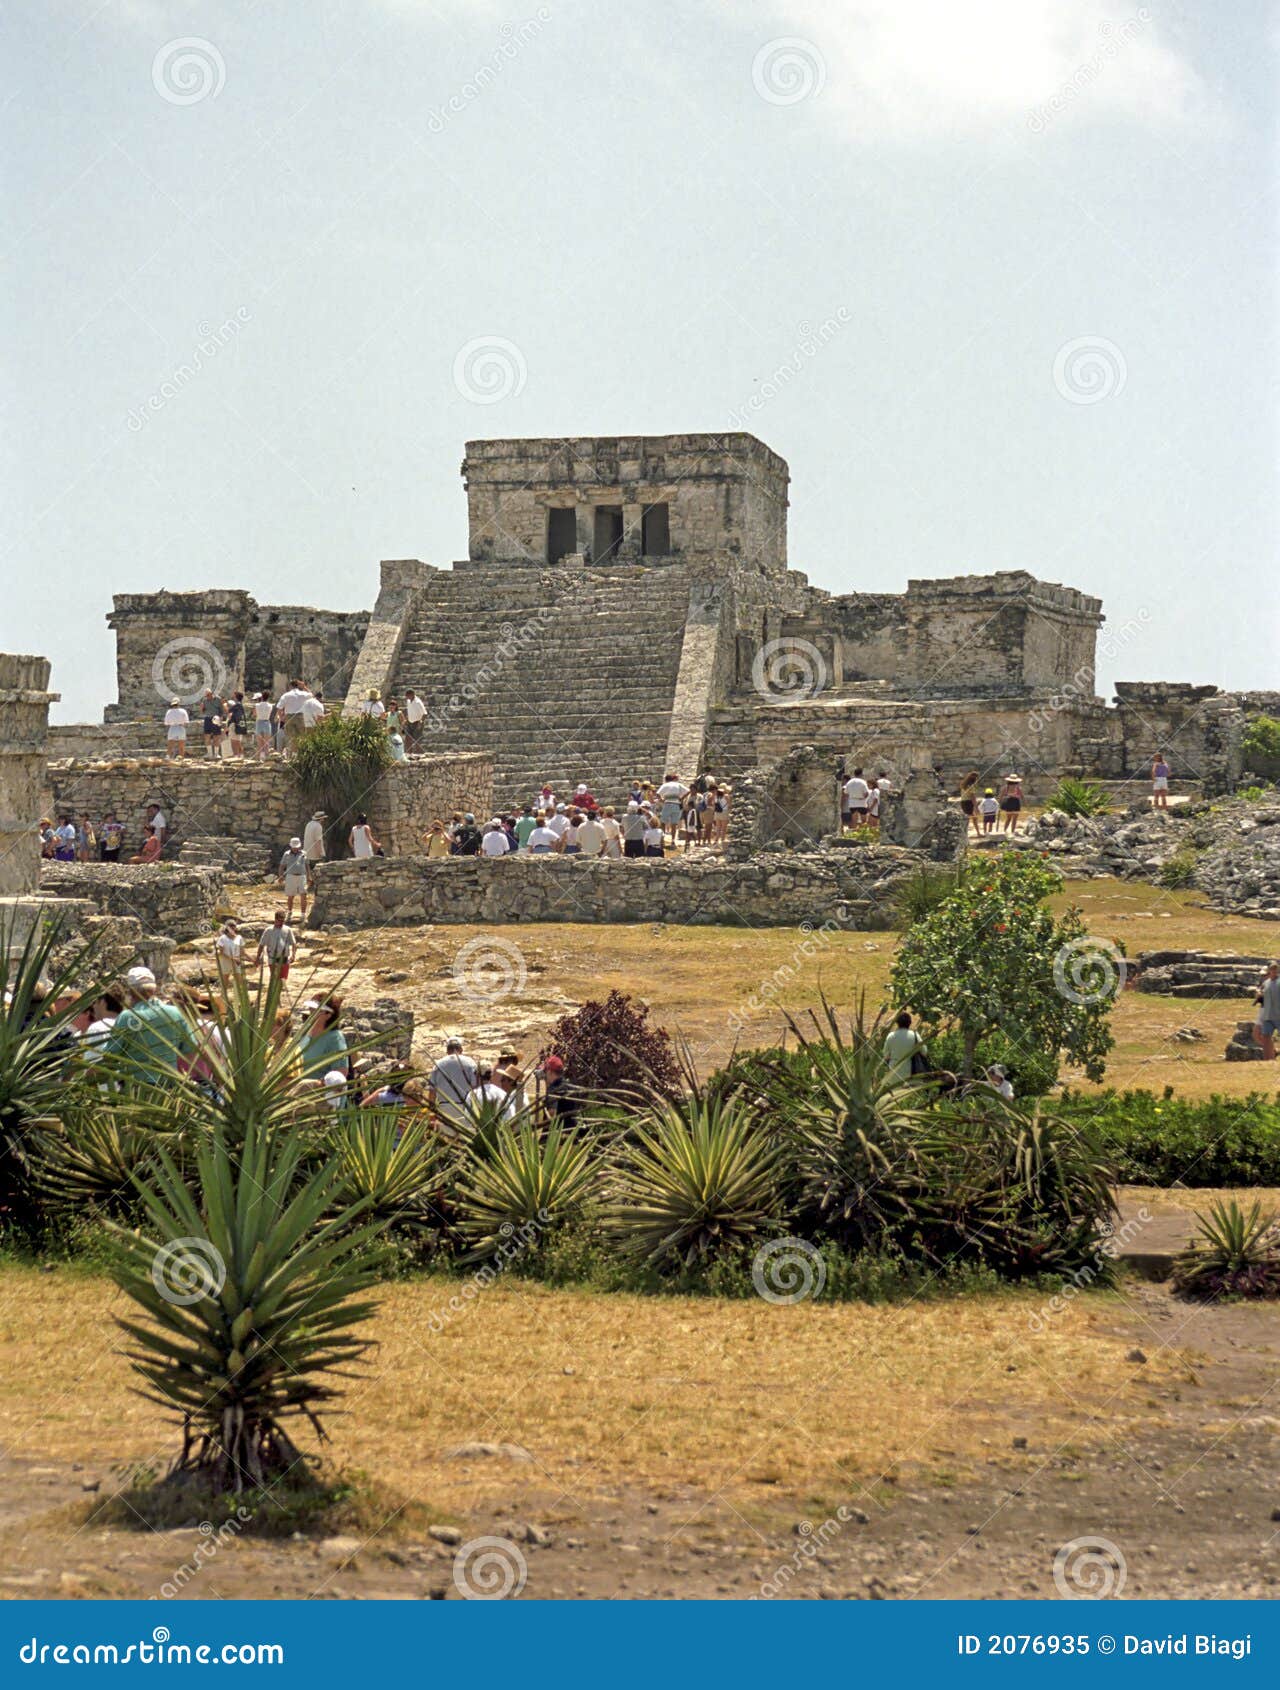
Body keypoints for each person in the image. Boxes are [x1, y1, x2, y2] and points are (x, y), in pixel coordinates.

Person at [104, 966, 195, 1086]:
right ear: (155, 989)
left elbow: (110, 1056)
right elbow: (190, 1049)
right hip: (169, 1087)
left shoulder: (127, 1017)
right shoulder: (176, 1013)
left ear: (130, 991)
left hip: (136, 1088)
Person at [429, 1037, 479, 1128]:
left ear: (447, 1050)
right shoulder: (470, 1063)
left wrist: (432, 1112)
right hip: (465, 1108)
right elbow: (475, 1087)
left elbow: (432, 1091)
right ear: (461, 1049)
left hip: (444, 1107)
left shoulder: (438, 1064)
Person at [299, 995, 349, 1082]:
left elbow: (340, 1073)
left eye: (316, 1010)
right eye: (311, 1009)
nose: (311, 1012)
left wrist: (316, 1085)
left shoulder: (335, 1038)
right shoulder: (305, 1032)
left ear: (328, 1015)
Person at [883, 1011, 926, 1081]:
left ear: (897, 1023)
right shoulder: (915, 1035)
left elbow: (886, 1056)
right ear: (910, 1022)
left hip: (893, 1074)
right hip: (912, 1073)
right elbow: (924, 1052)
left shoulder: (891, 1036)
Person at [256, 909, 297, 980]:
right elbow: (261, 945)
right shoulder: (268, 930)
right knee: (275, 980)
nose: (281, 923)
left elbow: (293, 943)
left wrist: (293, 955)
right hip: (273, 960)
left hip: (284, 959)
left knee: (283, 980)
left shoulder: (287, 929)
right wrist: (258, 957)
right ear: (275, 919)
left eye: (283, 921)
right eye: (280, 920)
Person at [540, 1053, 578, 1127]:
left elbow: (551, 1113)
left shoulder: (553, 1089)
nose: (545, 1076)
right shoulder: (568, 1085)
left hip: (558, 1133)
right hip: (572, 1130)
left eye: (545, 1072)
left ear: (549, 1071)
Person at [275, 679, 312, 754]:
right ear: (298, 685)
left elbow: (279, 708)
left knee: (292, 738)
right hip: (300, 716)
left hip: (289, 717)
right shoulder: (303, 694)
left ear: (290, 686)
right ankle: (300, 753)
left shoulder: (286, 695)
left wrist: (281, 718)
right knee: (302, 736)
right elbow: (311, 695)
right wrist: (304, 687)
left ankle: (293, 754)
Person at [278, 837, 309, 920]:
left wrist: (309, 877)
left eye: (297, 847)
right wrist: (280, 876)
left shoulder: (303, 853)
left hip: (302, 876)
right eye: (294, 847)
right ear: (291, 846)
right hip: (290, 876)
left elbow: (307, 865)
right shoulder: (286, 854)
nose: (295, 848)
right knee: (291, 896)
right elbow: (282, 866)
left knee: (304, 895)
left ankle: (303, 914)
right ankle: (290, 912)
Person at [1254, 962, 1280, 1061]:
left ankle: (1272, 1055)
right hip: (1265, 1012)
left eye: (1265, 975)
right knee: (1258, 1035)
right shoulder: (1265, 983)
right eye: (1262, 975)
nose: (1263, 977)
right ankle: (1272, 1054)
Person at [656, 772, 689, 846]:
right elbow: (688, 791)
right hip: (676, 805)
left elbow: (658, 794)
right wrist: (681, 798)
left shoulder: (665, 785)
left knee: (663, 823)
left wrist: (662, 800)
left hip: (667, 804)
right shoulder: (678, 784)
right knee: (674, 824)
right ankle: (673, 840)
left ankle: (662, 840)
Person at [215, 919, 244, 988]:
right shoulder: (222, 938)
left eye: (233, 927)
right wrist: (234, 959)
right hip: (225, 962)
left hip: (236, 962)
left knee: (239, 980)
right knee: (225, 981)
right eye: (230, 927)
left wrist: (253, 960)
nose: (232, 928)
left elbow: (243, 952)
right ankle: (223, 997)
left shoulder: (239, 937)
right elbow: (221, 952)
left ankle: (240, 997)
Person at [199, 689, 223, 759]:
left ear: (212, 694)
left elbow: (221, 709)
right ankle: (209, 753)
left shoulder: (218, 699)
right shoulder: (204, 701)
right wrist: (201, 708)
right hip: (208, 718)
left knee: (216, 736)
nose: (207, 697)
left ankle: (216, 754)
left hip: (216, 718)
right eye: (206, 696)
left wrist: (221, 717)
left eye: (208, 695)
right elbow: (202, 712)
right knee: (207, 736)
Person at [958, 769, 980, 837]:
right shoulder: (971, 786)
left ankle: (965, 833)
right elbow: (972, 797)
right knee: (974, 818)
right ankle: (978, 833)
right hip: (968, 802)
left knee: (967, 819)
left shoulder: (963, 784)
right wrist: (976, 807)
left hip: (963, 802)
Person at [225, 690, 247, 757]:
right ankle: (241, 756)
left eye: (234, 695)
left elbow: (228, 711)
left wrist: (224, 705)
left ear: (236, 697)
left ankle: (236, 756)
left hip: (235, 725)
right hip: (239, 725)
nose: (233, 696)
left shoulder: (237, 705)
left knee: (234, 742)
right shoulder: (240, 705)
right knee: (238, 742)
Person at [253, 692, 274, 759]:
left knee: (259, 742)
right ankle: (266, 757)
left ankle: (259, 757)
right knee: (266, 742)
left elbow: (254, 714)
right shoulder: (270, 705)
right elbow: (270, 713)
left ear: (262, 697)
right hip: (267, 722)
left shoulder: (257, 705)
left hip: (259, 722)